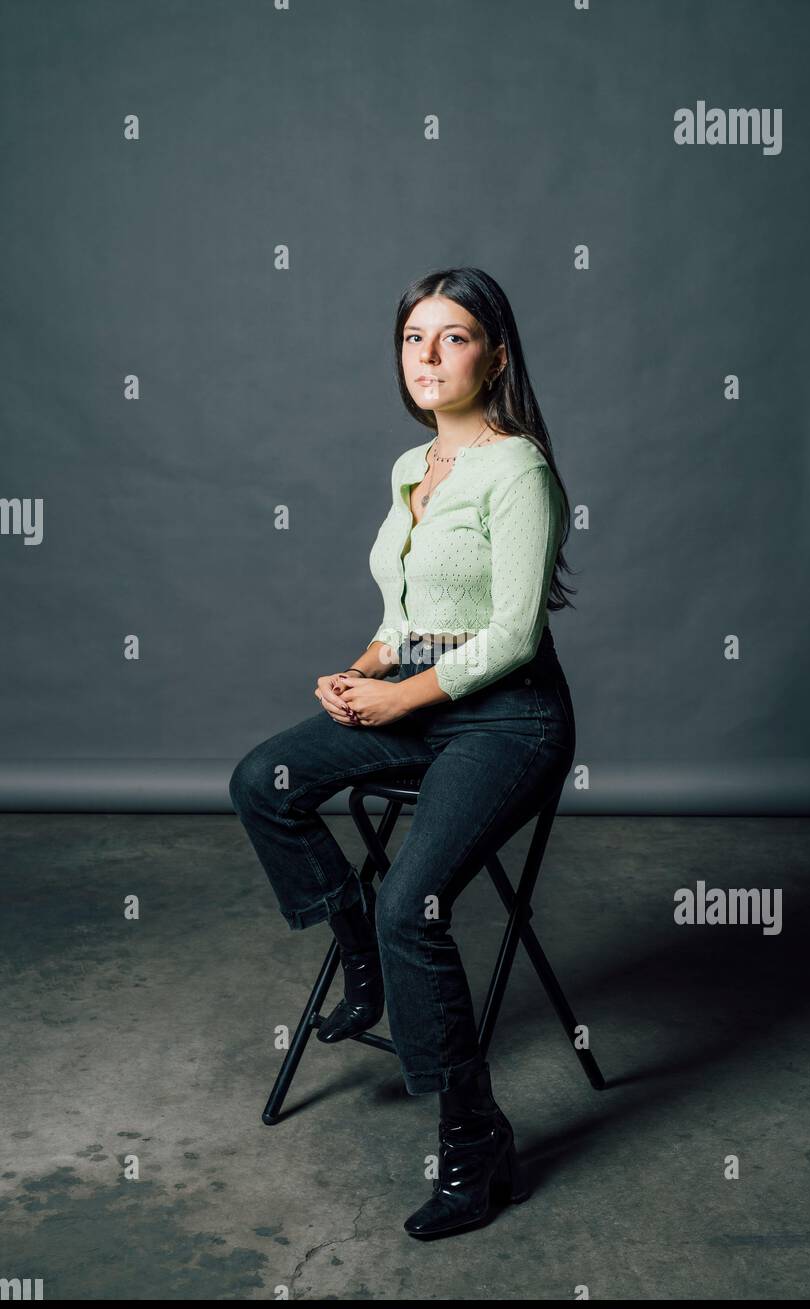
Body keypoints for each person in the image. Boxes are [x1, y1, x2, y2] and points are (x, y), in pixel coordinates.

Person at [229, 266, 579, 1239]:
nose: (427, 355)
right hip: (416, 691)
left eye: (452, 336)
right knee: (264, 779)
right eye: (412, 338)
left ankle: (476, 1147)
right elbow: (403, 617)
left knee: (411, 903)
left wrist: (397, 697)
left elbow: (508, 637)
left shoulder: (517, 470)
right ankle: (359, 960)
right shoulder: (406, 467)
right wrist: (355, 678)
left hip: (508, 718)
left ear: (494, 355)